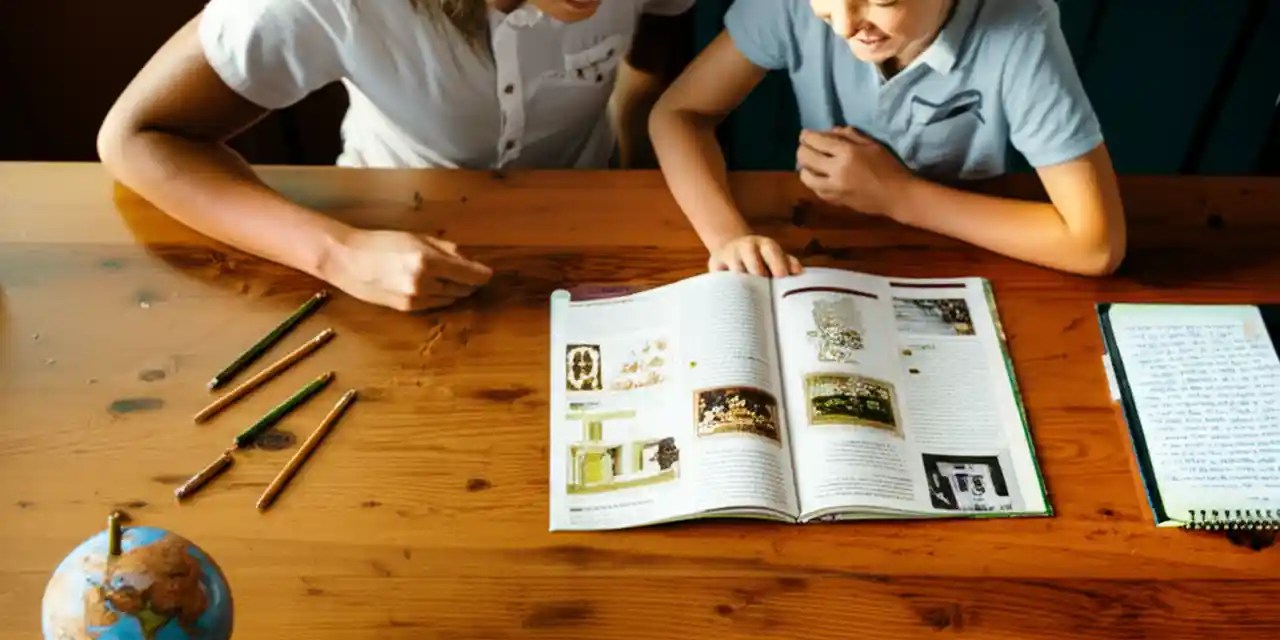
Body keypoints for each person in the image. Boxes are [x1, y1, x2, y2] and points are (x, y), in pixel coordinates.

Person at [98, 0, 692, 311]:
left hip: (585, 239)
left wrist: (634, 178)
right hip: (379, 235)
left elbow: (650, 66)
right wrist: (339, 253)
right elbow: (137, 136)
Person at [650, 0, 1127, 278]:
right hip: (832, 245)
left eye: (882, 0)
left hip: (972, 253)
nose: (843, 26)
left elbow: (1096, 244)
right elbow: (678, 113)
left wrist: (897, 195)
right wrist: (728, 237)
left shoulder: (1019, 28)